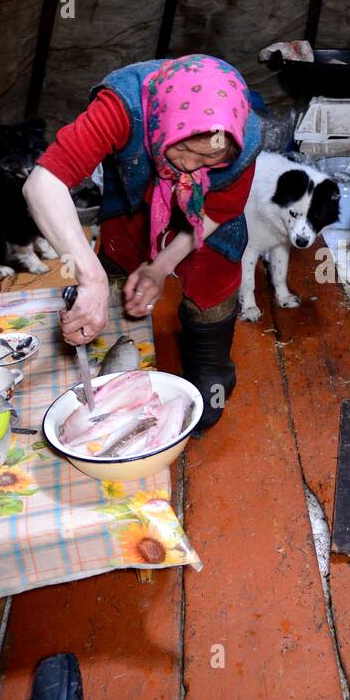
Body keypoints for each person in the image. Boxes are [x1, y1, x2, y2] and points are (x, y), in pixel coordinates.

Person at [24, 54, 259, 433]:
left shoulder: (242, 135)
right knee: (121, 257)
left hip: (206, 210)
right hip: (136, 191)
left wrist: (162, 265)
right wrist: (91, 278)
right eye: (184, 151)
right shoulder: (121, 108)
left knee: (214, 271)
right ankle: (118, 365)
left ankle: (212, 369)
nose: (190, 167)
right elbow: (42, 183)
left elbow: (219, 208)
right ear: (165, 124)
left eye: (209, 158)